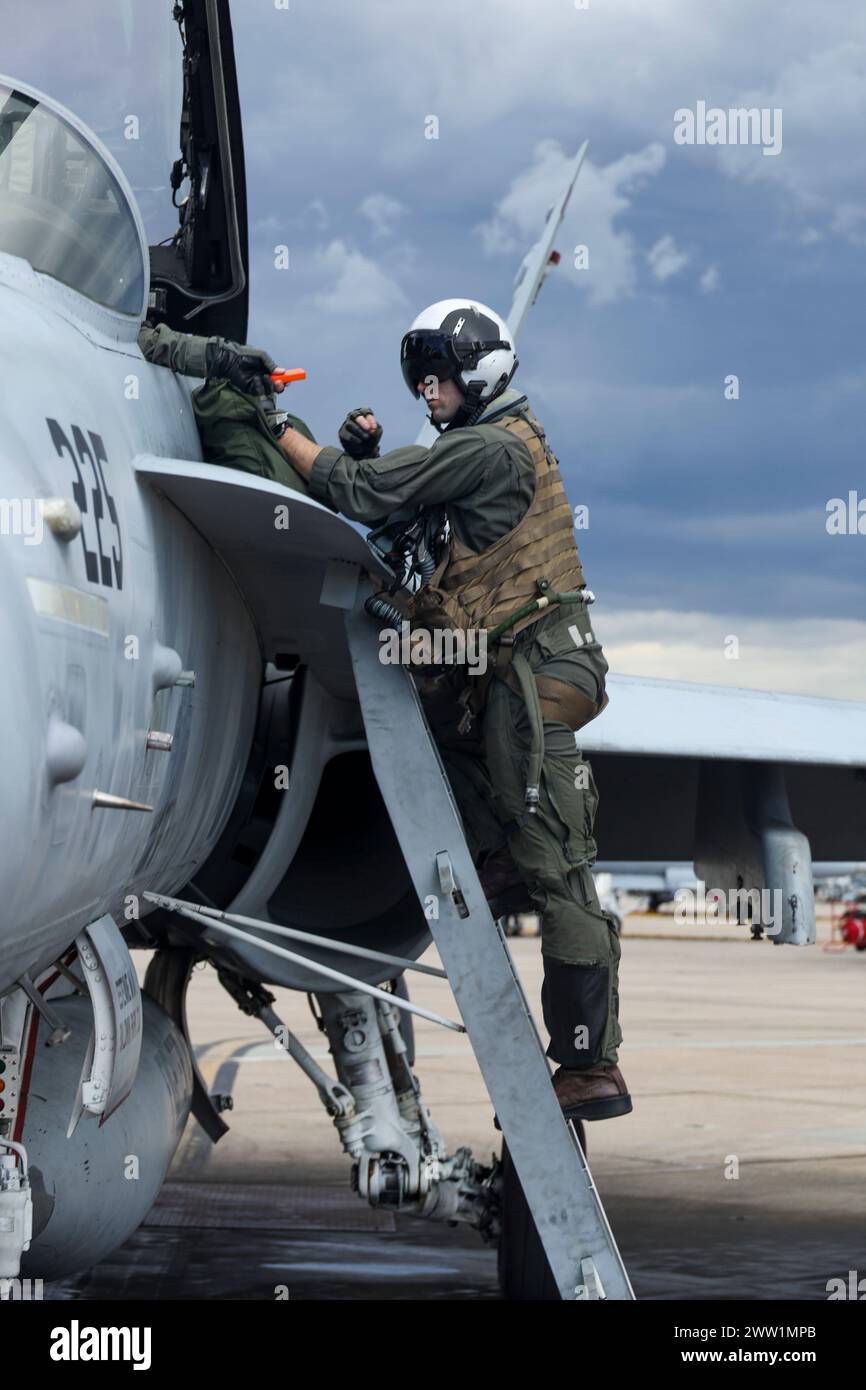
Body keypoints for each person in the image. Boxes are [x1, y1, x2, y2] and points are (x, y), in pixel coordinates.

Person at [276, 299, 630, 1123]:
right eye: (421, 382)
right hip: (492, 672)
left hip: (534, 672)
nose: (426, 394)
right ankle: (495, 850)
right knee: (439, 740)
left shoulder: (488, 451)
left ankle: (589, 1065)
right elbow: (408, 517)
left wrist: (280, 426)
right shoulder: (479, 451)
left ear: (475, 375)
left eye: (436, 381)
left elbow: (363, 493)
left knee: (559, 868)